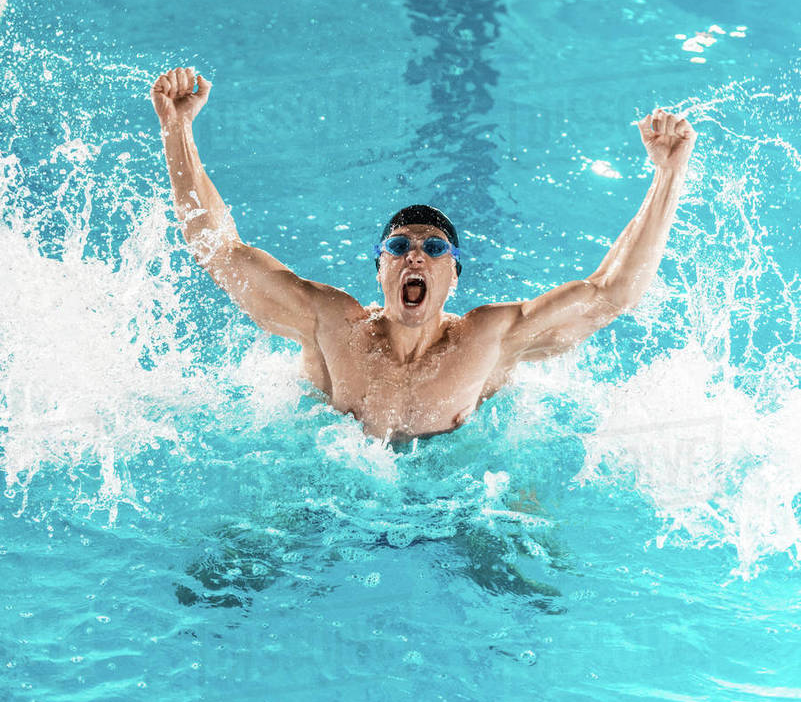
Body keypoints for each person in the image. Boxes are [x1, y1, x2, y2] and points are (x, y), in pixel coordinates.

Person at [151, 66, 697, 443]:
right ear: (380, 267)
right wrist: (177, 128)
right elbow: (219, 251)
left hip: (457, 492)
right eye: (399, 247)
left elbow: (611, 293)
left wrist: (668, 175)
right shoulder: (330, 324)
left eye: (434, 248)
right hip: (334, 486)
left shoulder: (489, 339)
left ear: (453, 276)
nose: (416, 256)